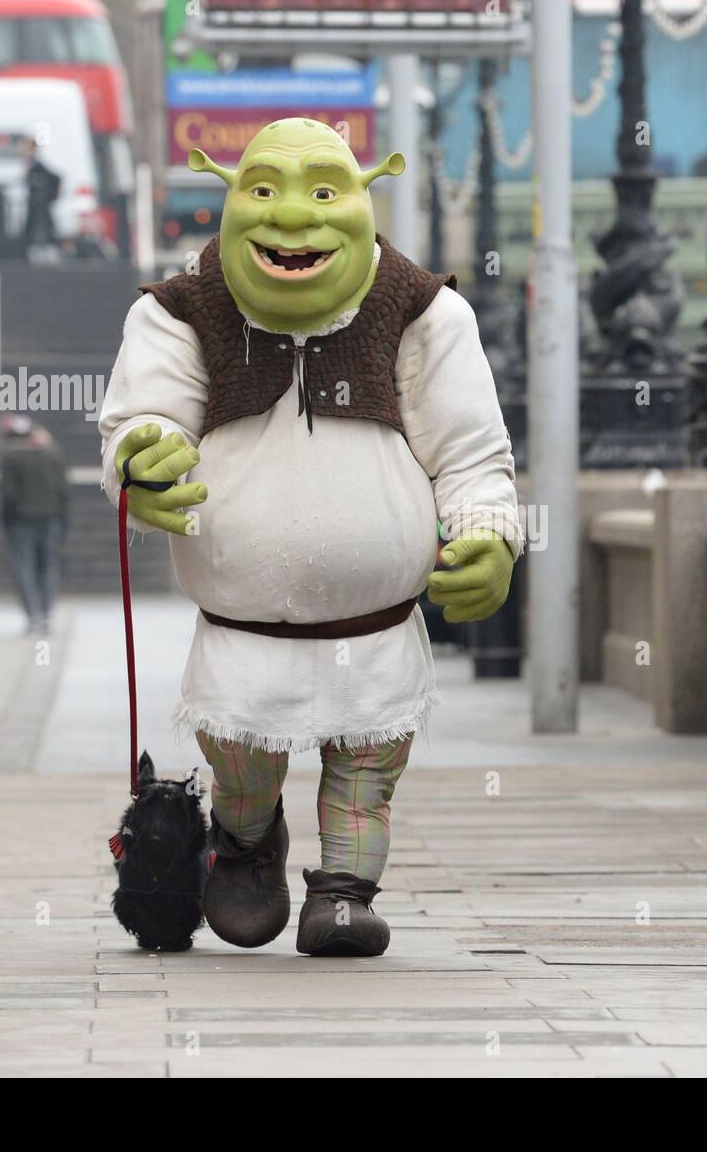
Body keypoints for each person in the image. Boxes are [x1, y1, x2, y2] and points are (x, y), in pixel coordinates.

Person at [99, 118, 521, 958]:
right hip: (239, 635)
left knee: (365, 778)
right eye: (265, 190)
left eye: (324, 191)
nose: (294, 219)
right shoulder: (178, 313)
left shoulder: (424, 312)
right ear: (230, 196)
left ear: (365, 197)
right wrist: (141, 460)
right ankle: (250, 844)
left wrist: (490, 535)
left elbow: (471, 451)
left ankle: (342, 891)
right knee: (243, 772)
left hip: (377, 633)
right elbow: (139, 417)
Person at [0, 415, 67, 634]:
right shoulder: (52, 454)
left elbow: (7, 494)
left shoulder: (10, 457)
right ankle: (46, 614)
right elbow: (62, 489)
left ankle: (32, 615)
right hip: (51, 517)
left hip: (20, 521)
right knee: (48, 566)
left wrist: (5, 519)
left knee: (23, 566)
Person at [22, 140, 61, 255]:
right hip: (36, 202)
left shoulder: (37, 164)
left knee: (41, 227)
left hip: (39, 202)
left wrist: (50, 196)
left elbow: (55, 177)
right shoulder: (30, 163)